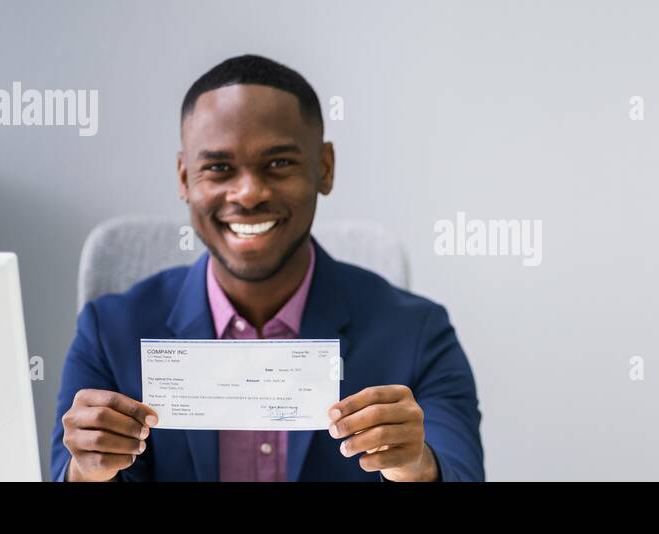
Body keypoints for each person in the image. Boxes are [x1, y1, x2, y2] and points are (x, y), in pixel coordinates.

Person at [50, 54, 484, 482]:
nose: (249, 193)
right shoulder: (108, 332)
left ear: (325, 169)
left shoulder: (418, 333)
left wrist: (420, 468)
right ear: (185, 178)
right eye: (218, 168)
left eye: (278, 164)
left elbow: (461, 471)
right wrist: (87, 473)